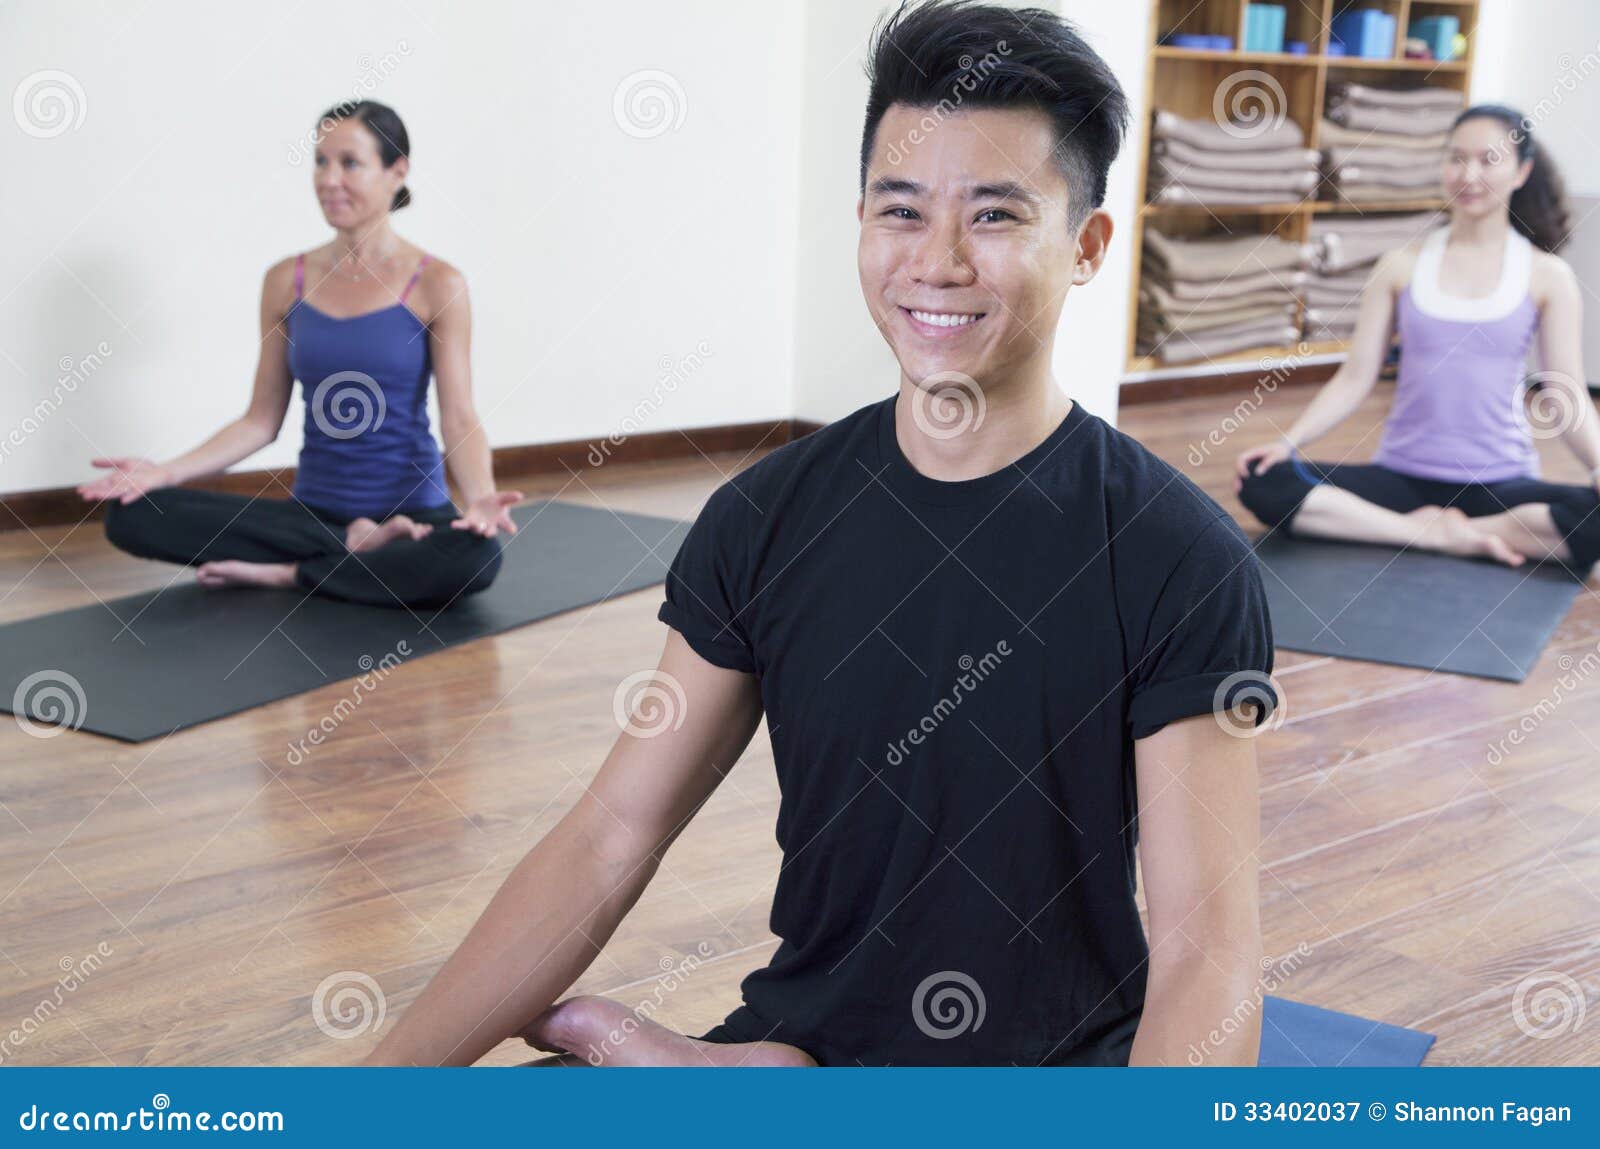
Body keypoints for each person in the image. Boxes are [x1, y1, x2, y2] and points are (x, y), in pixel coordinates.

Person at [364, 0, 1277, 1068]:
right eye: (900, 211)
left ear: (1084, 245)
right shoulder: (764, 518)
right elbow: (611, 831)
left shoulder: (1180, 558)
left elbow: (1207, 949)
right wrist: (375, 1097)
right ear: (860, 222)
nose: (935, 261)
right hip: (813, 1032)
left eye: (992, 216)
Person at [79, 100, 523, 610]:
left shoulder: (438, 283)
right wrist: (165, 473)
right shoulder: (285, 281)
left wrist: (479, 497)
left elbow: (460, 417)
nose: (329, 179)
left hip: (414, 513)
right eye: (320, 161)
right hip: (312, 517)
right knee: (133, 513)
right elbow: (260, 421)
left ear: (396, 171)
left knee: (476, 556)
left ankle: (288, 575)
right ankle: (349, 552)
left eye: (349, 163)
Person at [1236, 104, 1600, 580]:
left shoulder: (1547, 275)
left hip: (1501, 483)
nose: (1468, 174)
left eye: (1488, 159)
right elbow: (1356, 376)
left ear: (1522, 171)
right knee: (1263, 480)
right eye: (1456, 158)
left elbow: (1565, 391)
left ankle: (1435, 528)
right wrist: (1289, 442)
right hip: (1401, 477)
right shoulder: (1400, 265)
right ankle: (1430, 533)